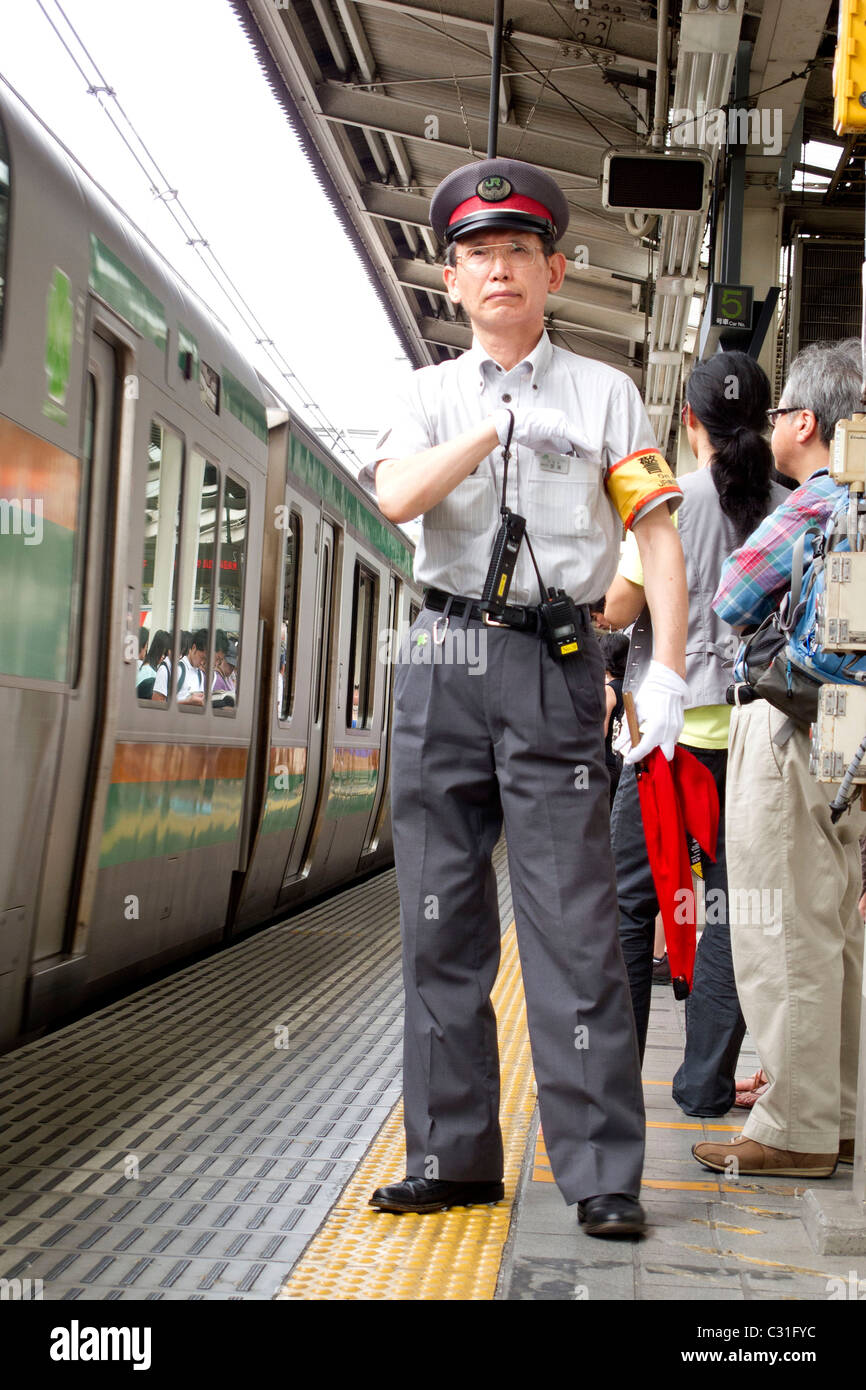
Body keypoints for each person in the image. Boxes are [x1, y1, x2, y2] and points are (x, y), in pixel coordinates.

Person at [359, 156, 689, 1237]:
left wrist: (667, 669)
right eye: (473, 255)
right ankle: (450, 1157)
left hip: (555, 665)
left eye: (515, 251)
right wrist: (489, 431)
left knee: (574, 923)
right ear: (449, 282)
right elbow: (399, 497)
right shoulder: (423, 396)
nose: (496, 270)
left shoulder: (604, 394)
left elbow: (654, 539)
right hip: (440, 657)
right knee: (437, 919)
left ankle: (598, 1173)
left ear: (552, 268)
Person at [694, 338, 866, 1177]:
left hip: (789, 717)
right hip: (850, 723)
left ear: (805, 421)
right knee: (831, 923)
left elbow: (734, 598)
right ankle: (831, 1116)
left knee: (782, 921)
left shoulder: (817, 502)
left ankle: (792, 1130)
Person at [602, 351, 789, 1116]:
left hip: (666, 741)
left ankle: (612, 1082)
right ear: (767, 421)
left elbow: (615, 609)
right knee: (728, 911)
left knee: (628, 902)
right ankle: (706, 1084)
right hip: (754, 738)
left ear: (690, 421)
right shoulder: (795, 506)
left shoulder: (666, 508)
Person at [598, 630, 628, 807]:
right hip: (626, 761)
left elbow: (601, 731)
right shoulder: (633, 685)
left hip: (609, 764)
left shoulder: (608, 690)